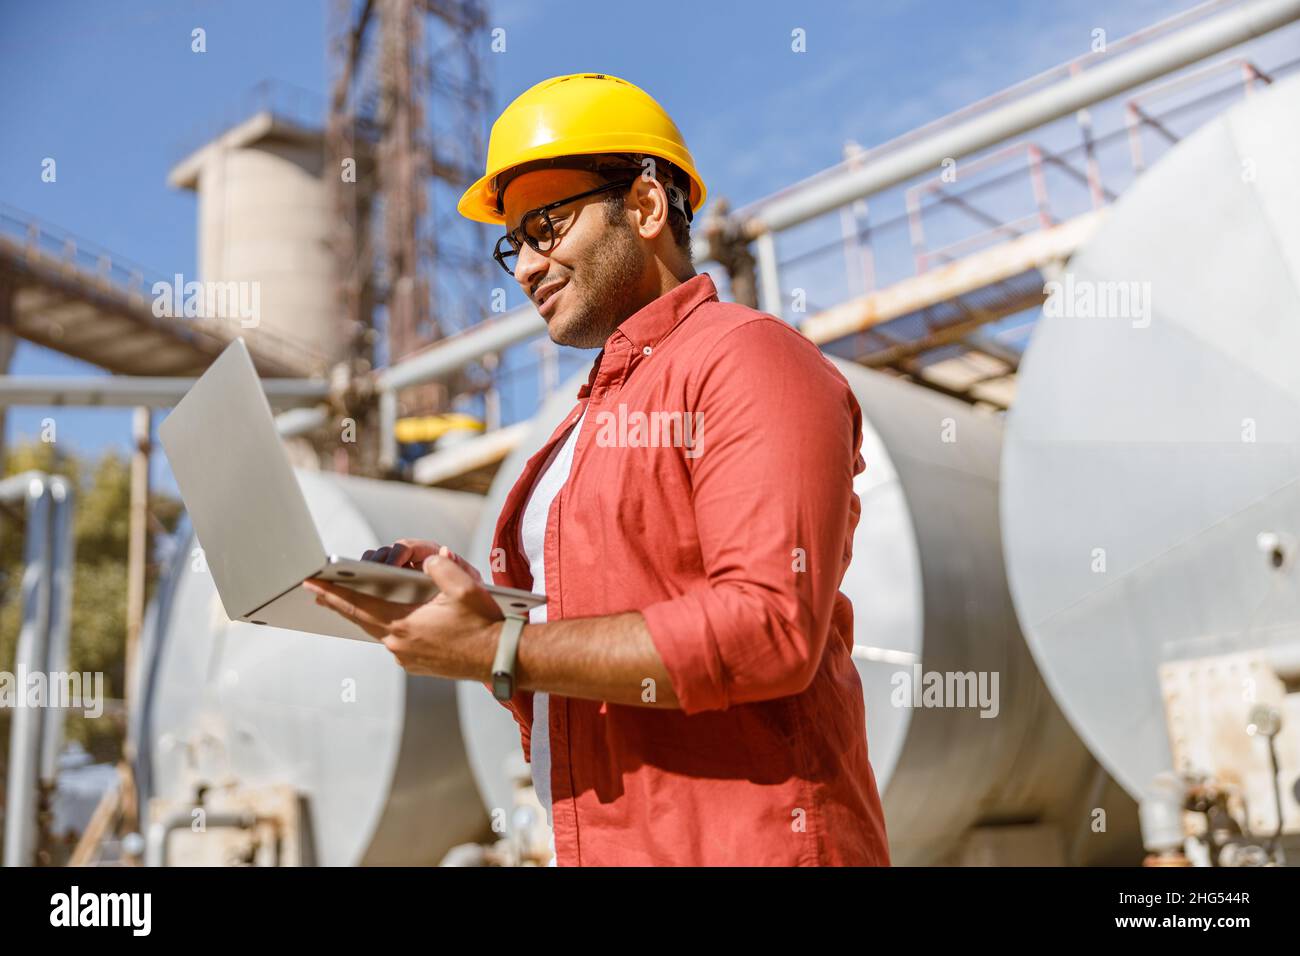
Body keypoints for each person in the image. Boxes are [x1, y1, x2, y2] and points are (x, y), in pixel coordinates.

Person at [307, 72, 890, 867]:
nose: (524, 268)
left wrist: (499, 646)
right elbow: (585, 661)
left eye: (547, 225)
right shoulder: (582, 423)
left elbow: (769, 627)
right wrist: (459, 602)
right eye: (514, 242)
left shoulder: (748, 357)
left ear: (647, 207)